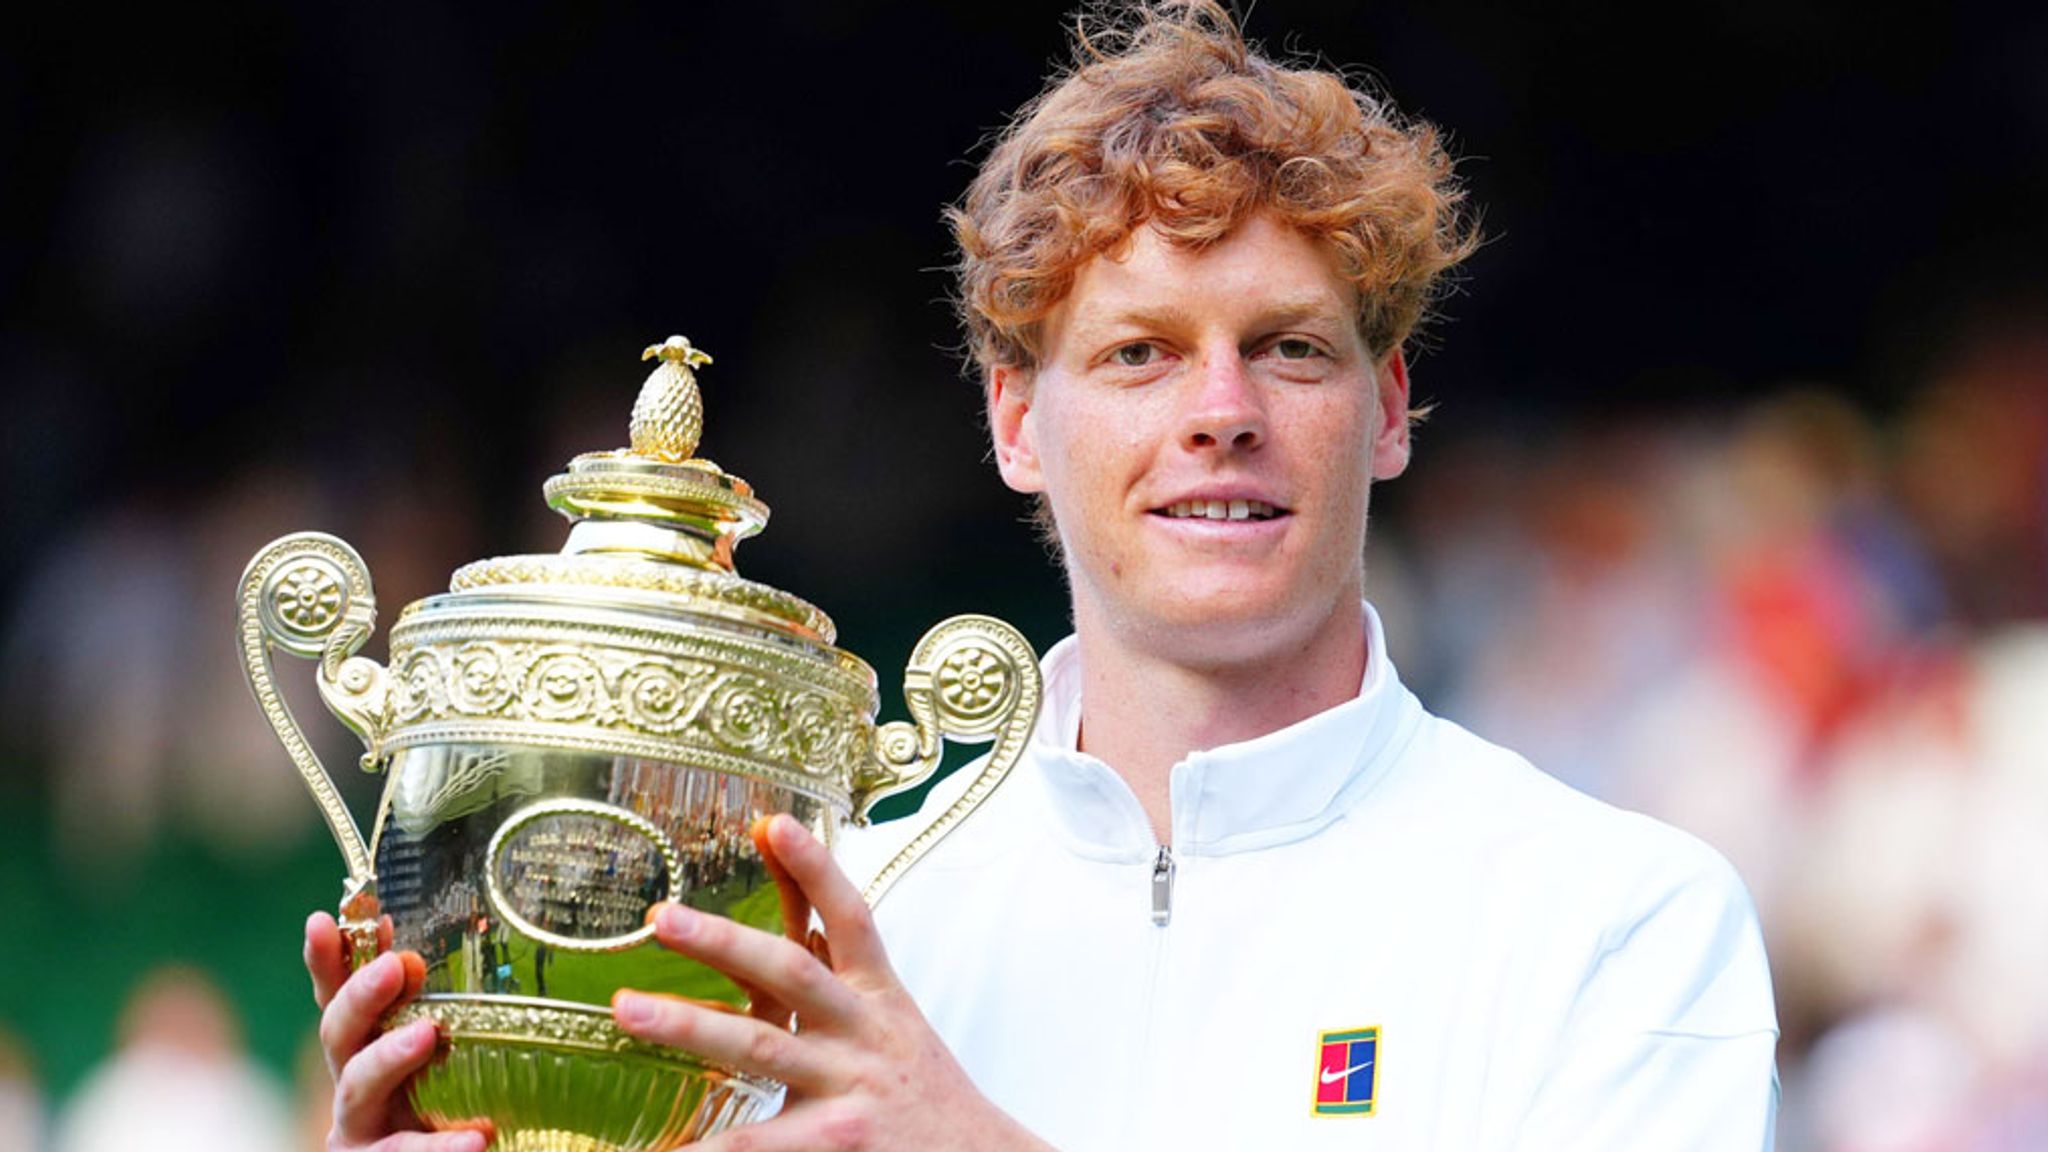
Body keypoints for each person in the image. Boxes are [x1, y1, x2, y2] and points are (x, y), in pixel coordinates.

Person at [305, 3, 1780, 1148]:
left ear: (1388, 409)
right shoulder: (828, 924)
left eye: (1291, 347)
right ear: (1017, 421)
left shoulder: (1617, 920)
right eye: (1138, 354)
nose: (1221, 410)